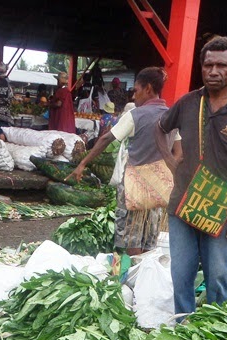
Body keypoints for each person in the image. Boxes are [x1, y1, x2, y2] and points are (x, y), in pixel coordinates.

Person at [157, 36, 227, 311]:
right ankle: (183, 325)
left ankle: (215, 327)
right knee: (181, 274)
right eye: (208, 65)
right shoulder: (189, 101)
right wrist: (169, 160)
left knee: (217, 276)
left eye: (221, 65)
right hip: (183, 202)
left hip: (221, 205)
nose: (213, 71)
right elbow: (161, 127)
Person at [69, 67, 175, 256]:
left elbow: (105, 139)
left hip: (135, 184)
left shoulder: (135, 115)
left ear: (148, 89)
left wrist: (82, 163)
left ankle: (132, 277)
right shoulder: (172, 116)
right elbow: (180, 152)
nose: (134, 96)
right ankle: (144, 275)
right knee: (150, 232)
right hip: (160, 185)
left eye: (136, 90)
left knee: (131, 232)